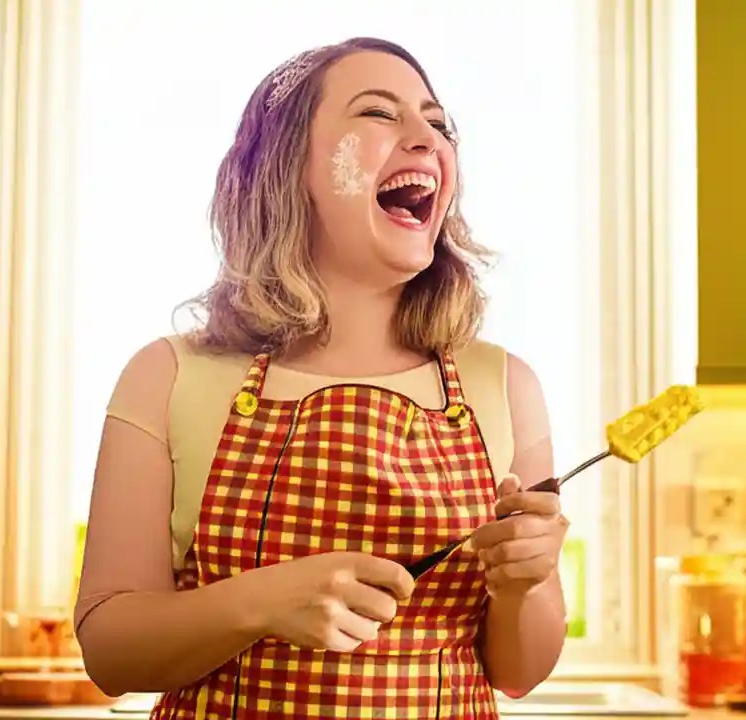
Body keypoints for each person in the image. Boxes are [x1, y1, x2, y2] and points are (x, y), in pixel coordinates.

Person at [74, 37, 568, 719]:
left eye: (437, 122)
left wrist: (525, 583)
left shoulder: (505, 386)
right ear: (287, 168)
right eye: (379, 114)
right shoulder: (168, 376)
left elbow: (520, 673)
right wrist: (263, 602)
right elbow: (110, 653)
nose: (426, 138)